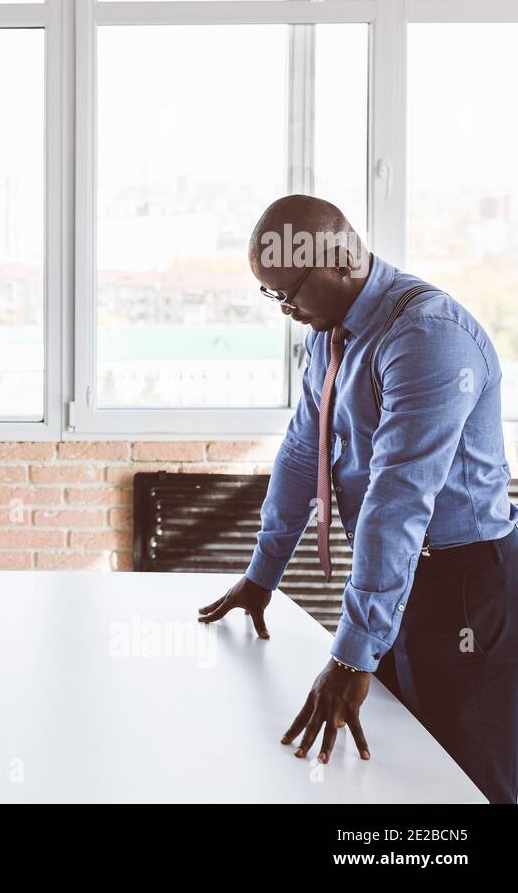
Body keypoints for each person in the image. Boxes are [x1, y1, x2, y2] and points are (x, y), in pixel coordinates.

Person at [198, 194, 518, 803]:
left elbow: (397, 500)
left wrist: (349, 657)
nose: (286, 309)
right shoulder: (331, 331)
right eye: (273, 296)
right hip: (407, 576)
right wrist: (263, 574)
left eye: (289, 290)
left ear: (339, 261)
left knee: (470, 776)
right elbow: (302, 453)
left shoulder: (427, 337)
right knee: (402, 765)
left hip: (465, 587)